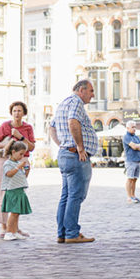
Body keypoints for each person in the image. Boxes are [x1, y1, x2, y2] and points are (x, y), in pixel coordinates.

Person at [53, 79, 99, 244]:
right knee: (75, 196)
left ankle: (62, 233)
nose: (93, 95)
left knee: (66, 196)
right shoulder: (76, 103)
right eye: (91, 91)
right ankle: (72, 233)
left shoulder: (63, 104)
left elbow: (51, 127)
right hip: (75, 156)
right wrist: (79, 147)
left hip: (66, 154)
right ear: (82, 90)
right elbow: (73, 122)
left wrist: (63, 145)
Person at [0, 101, 35, 237]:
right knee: (5, 193)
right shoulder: (5, 126)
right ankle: (4, 227)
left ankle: (14, 227)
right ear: (11, 112)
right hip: (7, 160)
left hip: (22, 160)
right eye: (14, 111)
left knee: (18, 192)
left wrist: (20, 136)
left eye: (19, 111)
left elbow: (31, 147)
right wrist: (7, 144)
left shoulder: (27, 128)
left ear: (24, 113)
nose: (17, 113)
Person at [1, 141, 32, 241]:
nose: (22, 156)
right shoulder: (8, 163)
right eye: (21, 154)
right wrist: (18, 167)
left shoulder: (17, 163)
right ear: (13, 152)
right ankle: (8, 232)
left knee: (17, 213)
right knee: (13, 213)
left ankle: (14, 231)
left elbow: (23, 177)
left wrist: (27, 171)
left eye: (23, 154)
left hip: (19, 190)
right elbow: (9, 174)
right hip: (12, 191)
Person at [123, 120, 140, 203]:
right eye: (132, 127)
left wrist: (137, 146)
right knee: (130, 179)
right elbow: (135, 147)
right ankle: (129, 197)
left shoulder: (136, 137)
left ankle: (133, 196)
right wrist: (137, 146)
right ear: (127, 128)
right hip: (130, 161)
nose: (134, 129)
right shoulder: (126, 136)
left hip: (138, 160)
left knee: (135, 179)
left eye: (135, 127)